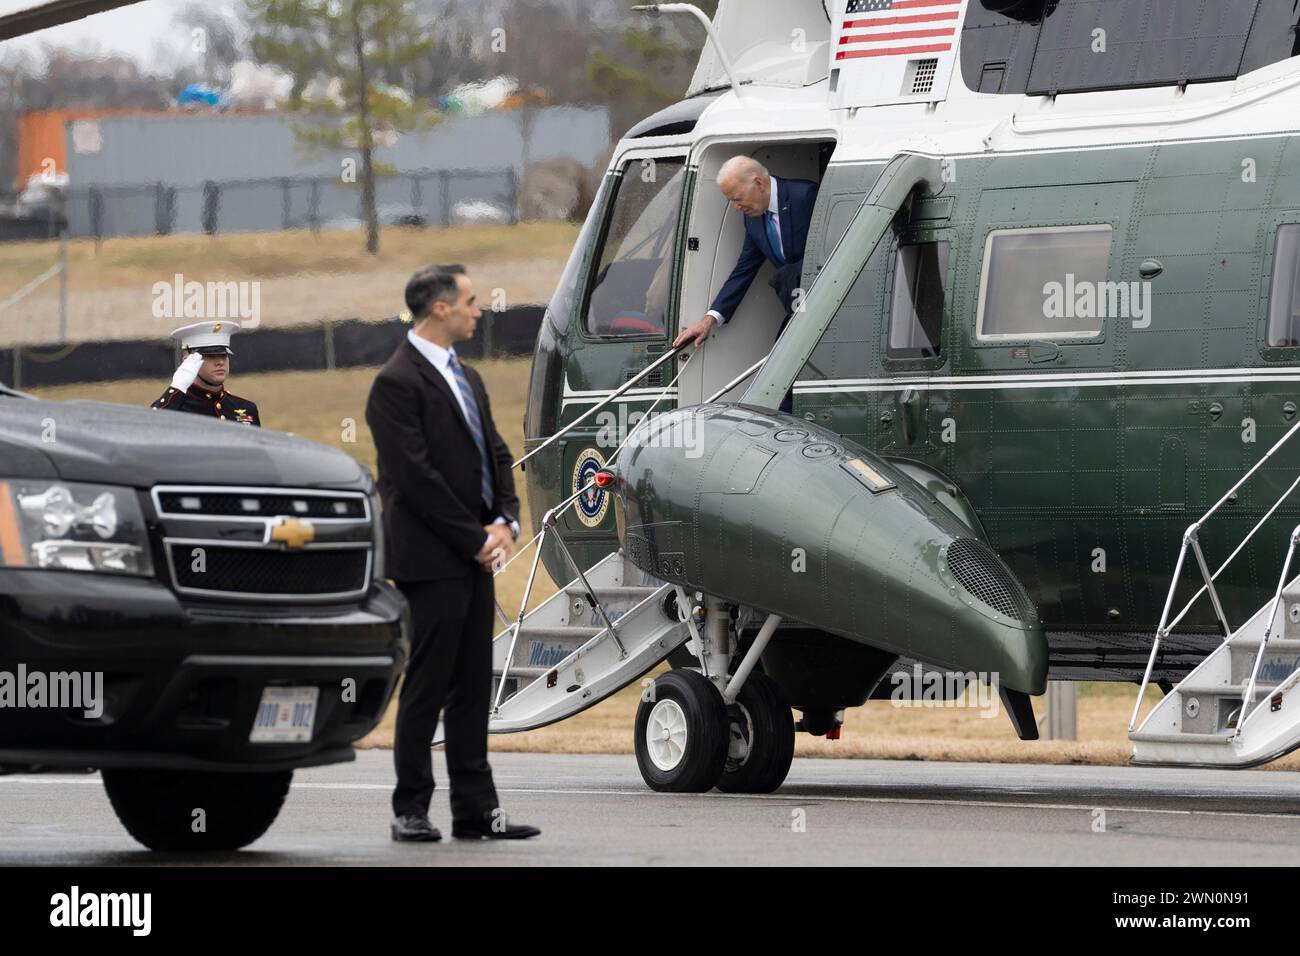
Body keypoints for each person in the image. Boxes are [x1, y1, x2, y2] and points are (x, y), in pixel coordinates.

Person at [366, 264, 540, 844]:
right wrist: (473, 537)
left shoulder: (467, 376)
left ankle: (475, 809)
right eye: (468, 300)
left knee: (472, 684)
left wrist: (507, 519)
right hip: (432, 559)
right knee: (428, 684)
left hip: (475, 553)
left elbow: (495, 451)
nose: (478, 309)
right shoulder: (396, 382)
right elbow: (413, 480)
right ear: (439, 308)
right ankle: (410, 808)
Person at [672, 156, 820, 412]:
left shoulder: (806, 196)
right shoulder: (753, 218)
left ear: (759, 183)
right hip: (798, 310)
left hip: (826, 305)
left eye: (737, 198)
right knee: (782, 382)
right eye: (730, 201)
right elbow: (744, 269)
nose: (736, 207)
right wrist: (709, 320)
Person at [150, 321, 261, 426]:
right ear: (188, 361)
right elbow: (149, 428)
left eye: (223, 355)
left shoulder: (247, 408)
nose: (220, 362)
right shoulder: (176, 408)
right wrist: (177, 388)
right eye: (210, 356)